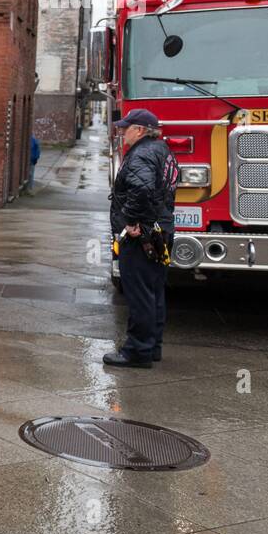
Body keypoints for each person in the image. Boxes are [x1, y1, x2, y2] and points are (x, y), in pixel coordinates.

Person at [104, 109, 179, 369]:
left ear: (140, 130)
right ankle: (152, 346)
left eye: (126, 128)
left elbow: (143, 188)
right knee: (154, 291)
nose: (122, 132)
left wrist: (132, 221)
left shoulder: (141, 154)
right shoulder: (163, 150)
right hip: (161, 230)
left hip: (142, 236)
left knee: (139, 294)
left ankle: (137, 351)